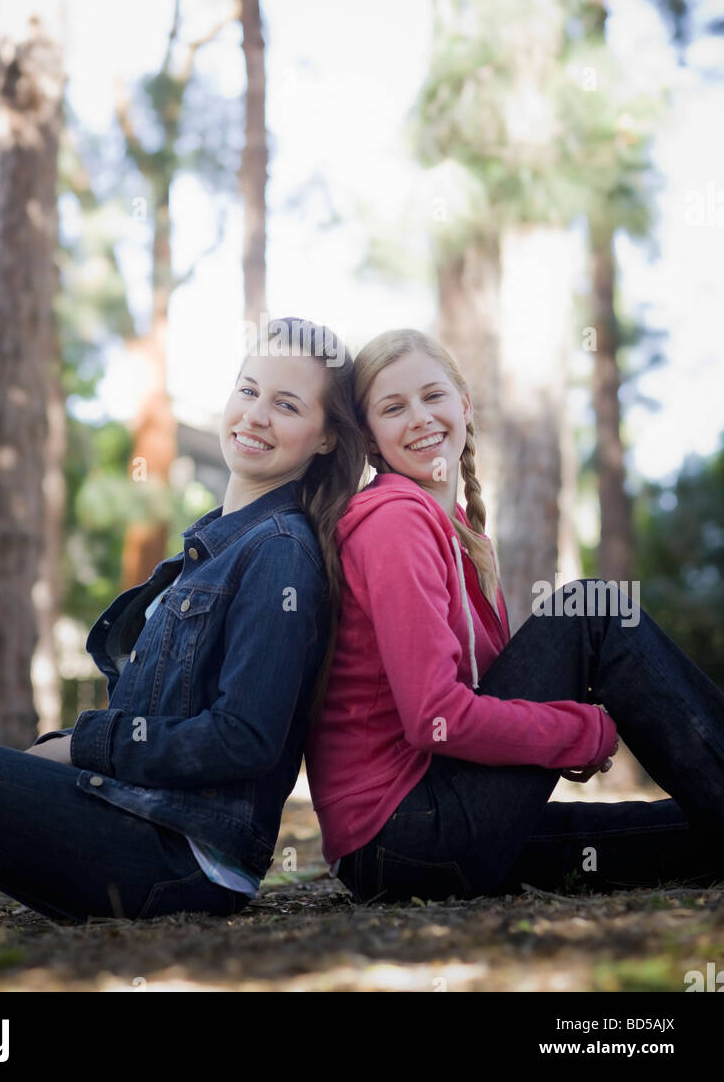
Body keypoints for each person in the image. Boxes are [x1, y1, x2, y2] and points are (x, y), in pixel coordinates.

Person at [0, 317, 366, 923]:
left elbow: (244, 738)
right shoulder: (215, 545)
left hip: (174, 855)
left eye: (287, 404)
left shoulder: (280, 551)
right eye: (249, 390)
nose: (256, 415)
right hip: (135, 819)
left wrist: (84, 747)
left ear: (327, 438)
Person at [304, 326, 724, 905]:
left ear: (464, 403)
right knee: (590, 611)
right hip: (407, 832)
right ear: (371, 439)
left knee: (686, 832)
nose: (420, 417)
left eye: (433, 395)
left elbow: (484, 699)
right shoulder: (393, 522)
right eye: (393, 407)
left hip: (402, 849)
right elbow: (435, 718)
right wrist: (583, 732)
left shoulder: (457, 530)